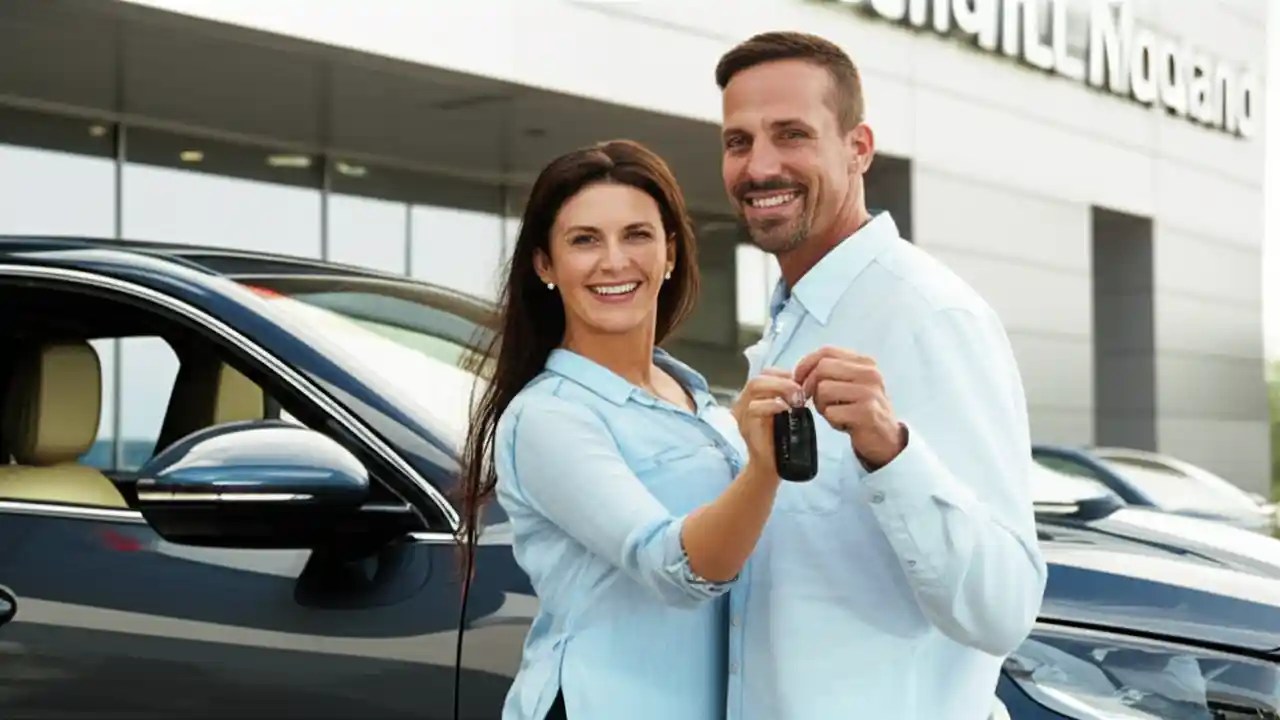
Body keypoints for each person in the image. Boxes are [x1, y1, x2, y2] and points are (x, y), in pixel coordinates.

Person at [713, 32, 1049, 719]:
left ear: (858, 147)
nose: (759, 166)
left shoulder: (931, 315)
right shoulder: (790, 323)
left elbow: (1004, 605)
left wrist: (890, 452)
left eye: (791, 135)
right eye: (738, 141)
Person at [457, 139, 804, 720]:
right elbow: (677, 569)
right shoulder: (550, 417)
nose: (614, 261)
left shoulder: (699, 401)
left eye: (637, 235)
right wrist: (762, 472)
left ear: (669, 253)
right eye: (584, 240)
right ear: (546, 264)